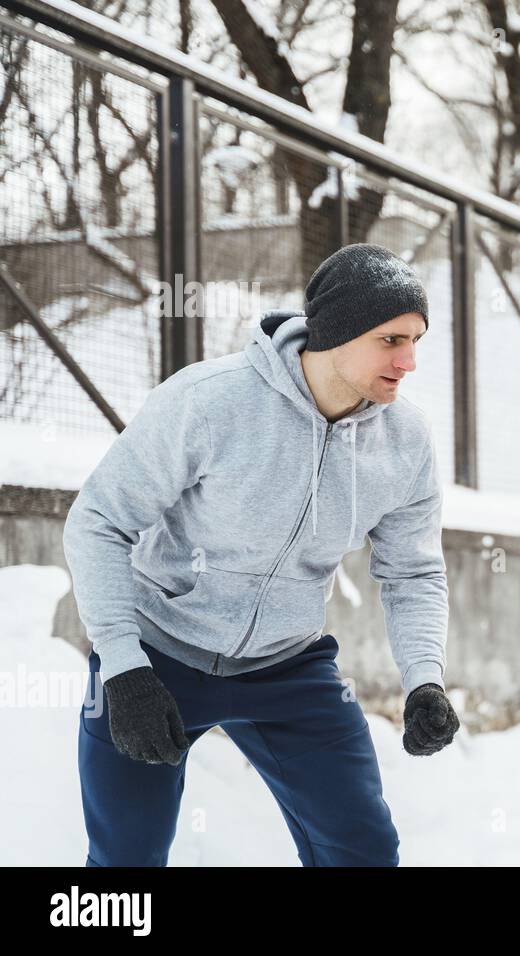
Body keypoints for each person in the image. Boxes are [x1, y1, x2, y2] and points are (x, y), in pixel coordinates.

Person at [64, 242, 459, 867]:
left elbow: (413, 571)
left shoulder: (405, 440)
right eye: (392, 340)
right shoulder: (212, 401)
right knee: (125, 861)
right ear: (339, 333)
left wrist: (425, 681)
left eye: (417, 340)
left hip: (288, 666)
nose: (409, 361)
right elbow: (98, 520)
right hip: (156, 653)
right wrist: (123, 667)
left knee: (363, 849)